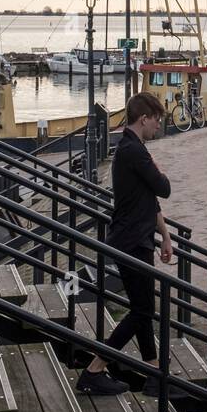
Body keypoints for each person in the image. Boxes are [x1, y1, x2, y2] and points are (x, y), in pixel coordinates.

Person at [76, 92, 174, 396]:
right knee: (143, 311)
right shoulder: (133, 151)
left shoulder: (133, 149)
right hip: (131, 241)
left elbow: (150, 199)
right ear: (143, 119)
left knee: (143, 308)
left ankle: (155, 375)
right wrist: (158, 168)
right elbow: (164, 188)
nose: (158, 126)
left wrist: (166, 235)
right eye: (157, 120)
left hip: (136, 238)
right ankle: (94, 369)